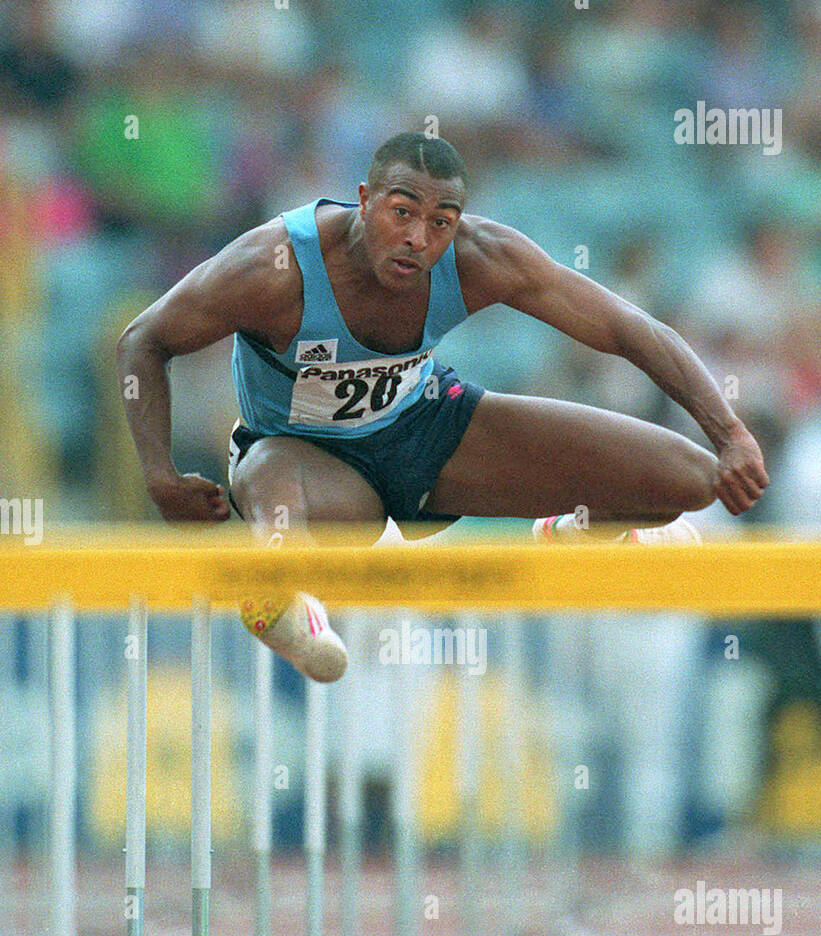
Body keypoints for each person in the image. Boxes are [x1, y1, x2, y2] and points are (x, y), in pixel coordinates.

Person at [117, 131, 768, 681]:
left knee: (689, 478)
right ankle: (281, 596)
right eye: (401, 213)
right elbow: (144, 341)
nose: (418, 241)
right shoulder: (273, 268)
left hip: (427, 427)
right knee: (267, 482)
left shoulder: (480, 257)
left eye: (440, 223)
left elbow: (627, 327)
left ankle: (570, 533)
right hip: (309, 459)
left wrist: (730, 432)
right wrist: (158, 474)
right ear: (366, 201)